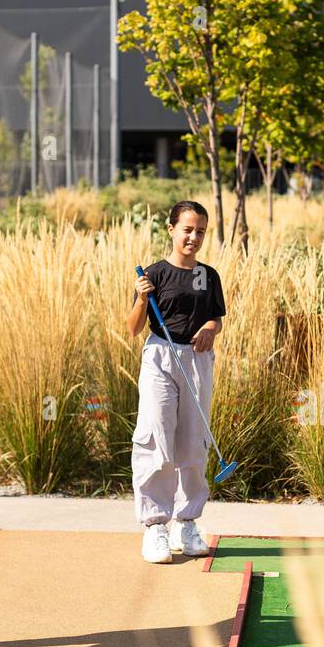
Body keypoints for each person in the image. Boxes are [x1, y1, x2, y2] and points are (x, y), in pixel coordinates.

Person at [127, 200, 226, 564]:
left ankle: (187, 522)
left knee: (193, 439)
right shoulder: (154, 274)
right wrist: (141, 298)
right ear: (171, 230)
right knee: (157, 435)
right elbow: (134, 327)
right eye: (187, 229)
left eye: (200, 231)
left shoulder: (208, 275)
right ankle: (155, 526)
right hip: (160, 355)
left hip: (197, 357)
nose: (194, 237)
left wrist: (210, 329)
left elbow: (216, 318)